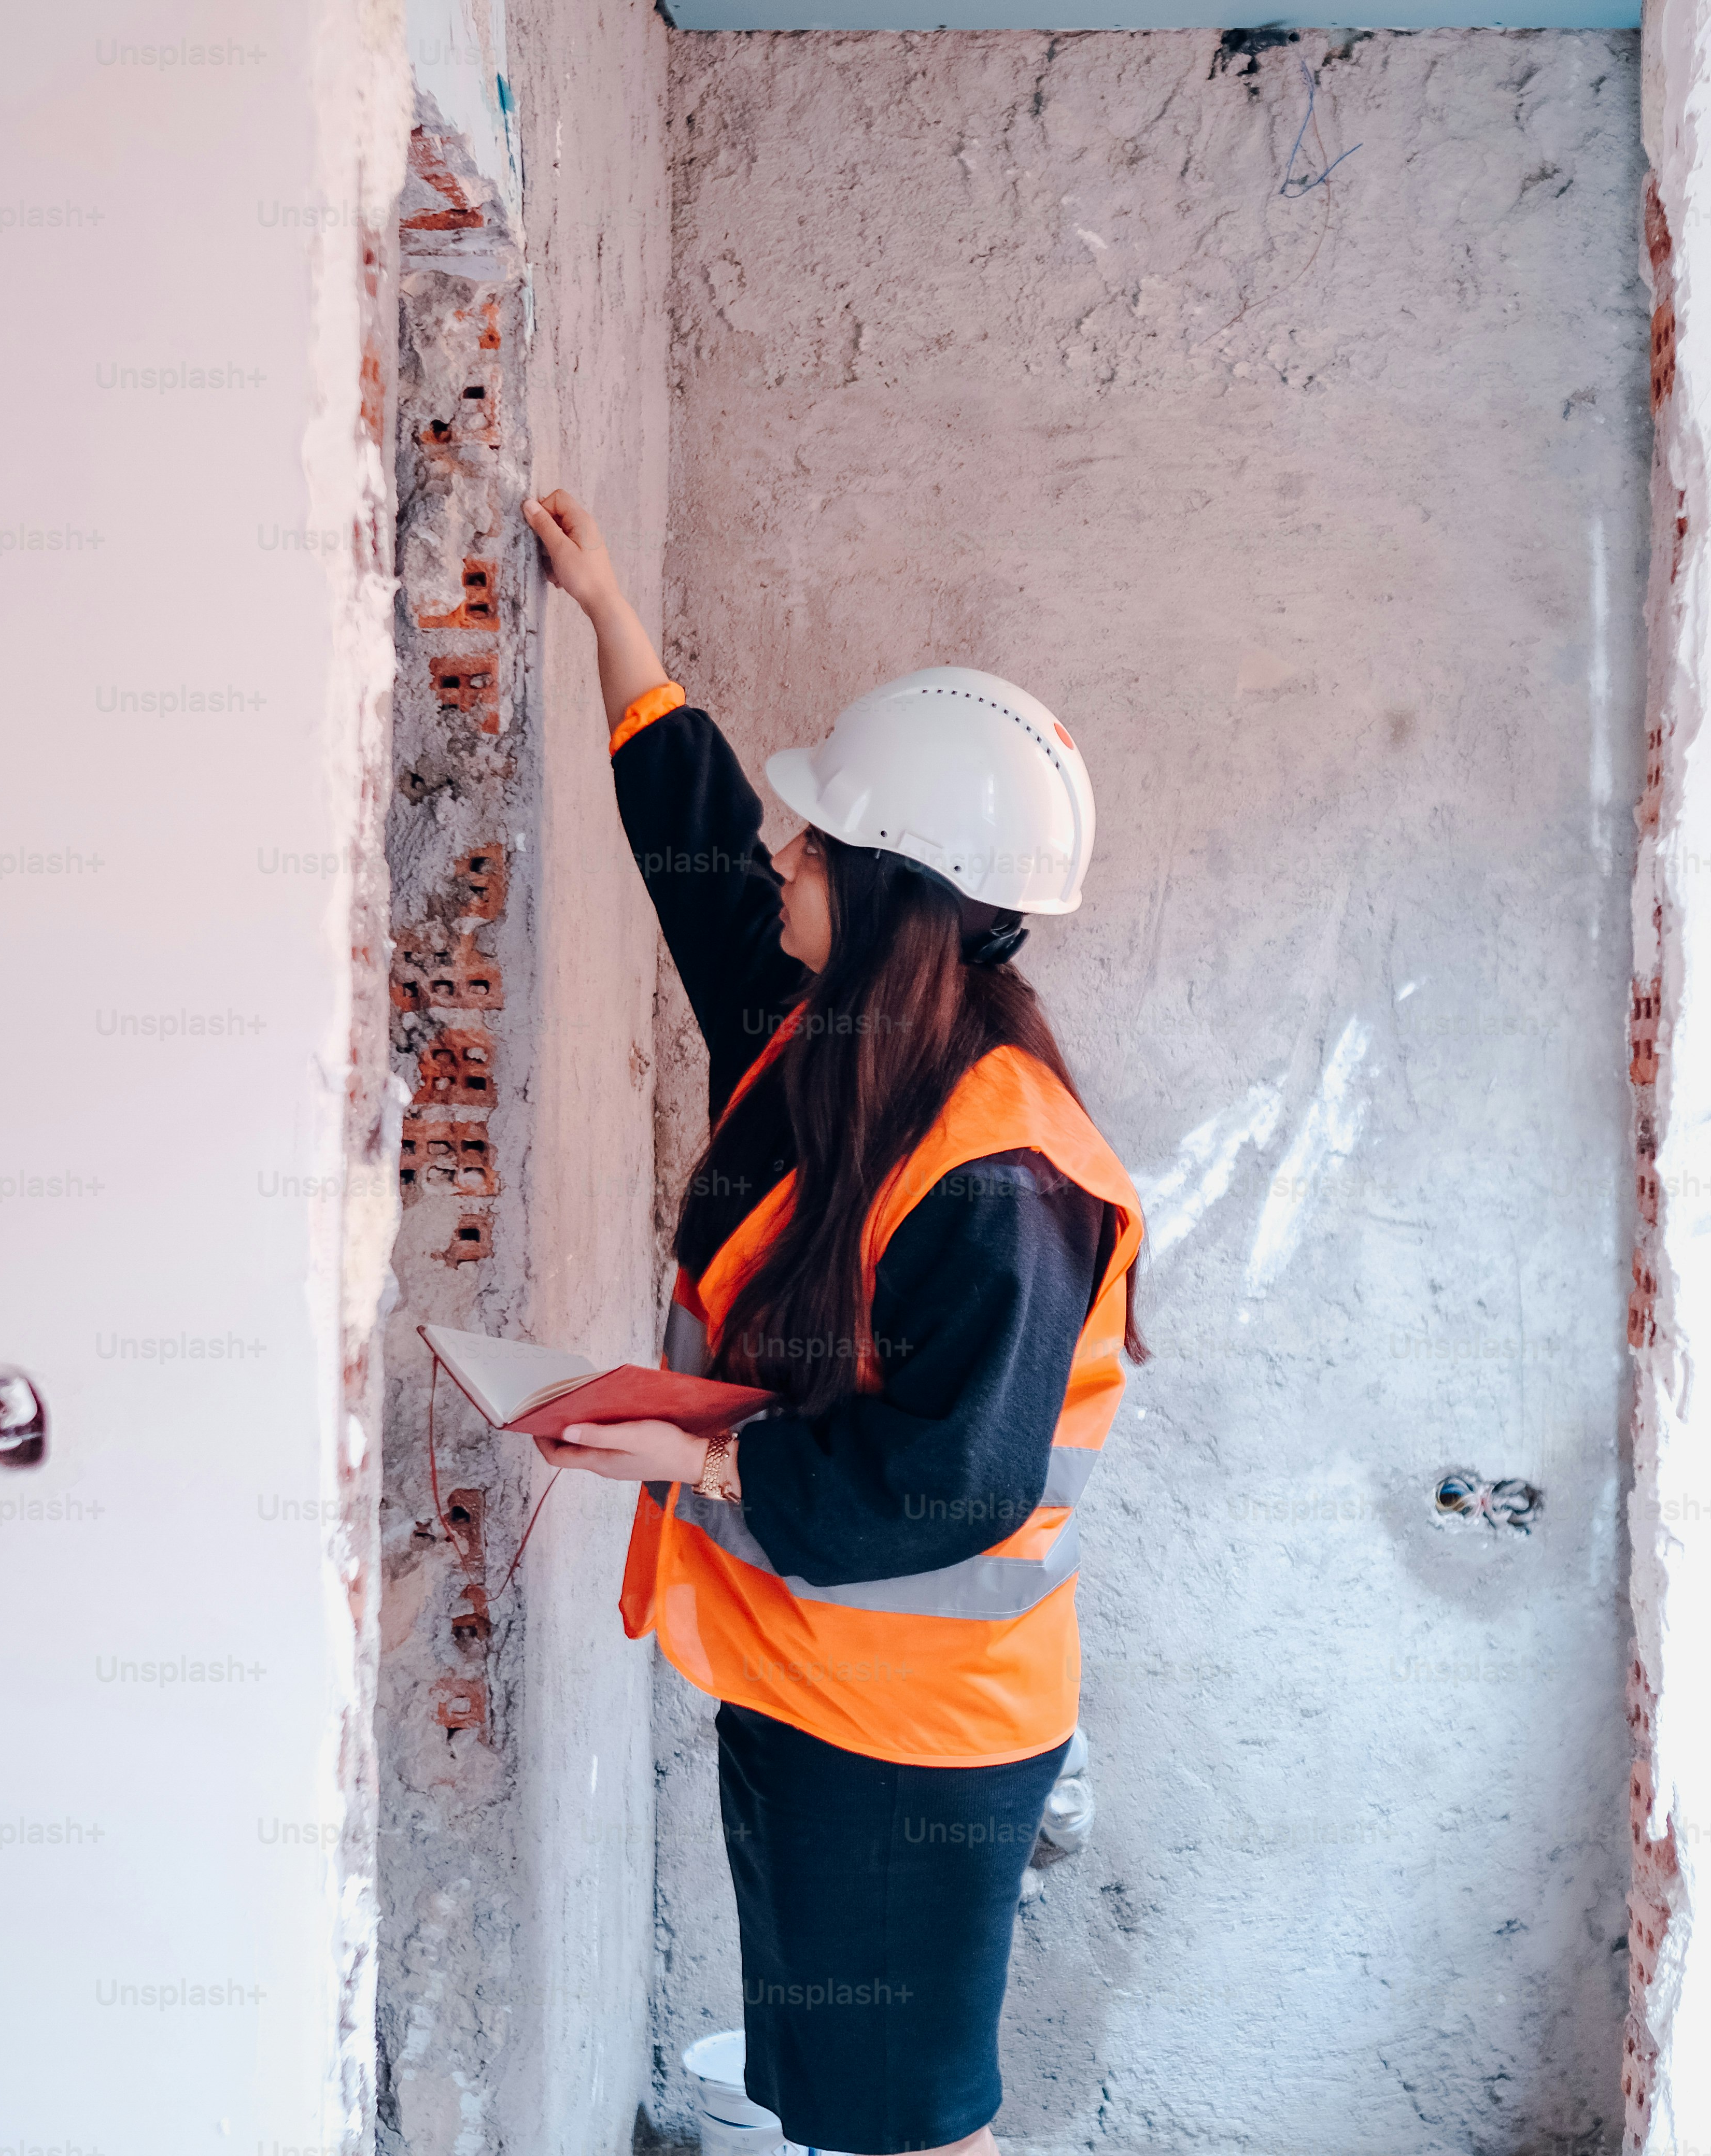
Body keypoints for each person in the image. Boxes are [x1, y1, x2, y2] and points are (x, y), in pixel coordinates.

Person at [517, 488, 1148, 2156]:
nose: (783, 855)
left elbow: (954, 1481)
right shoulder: (833, 1040)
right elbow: (702, 854)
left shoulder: (1003, 1176)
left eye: (818, 841)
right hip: (809, 1695)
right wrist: (610, 622)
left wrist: (700, 1459)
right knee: (842, 2113)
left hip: (917, 1751)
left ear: (889, 890)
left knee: (913, 2131)